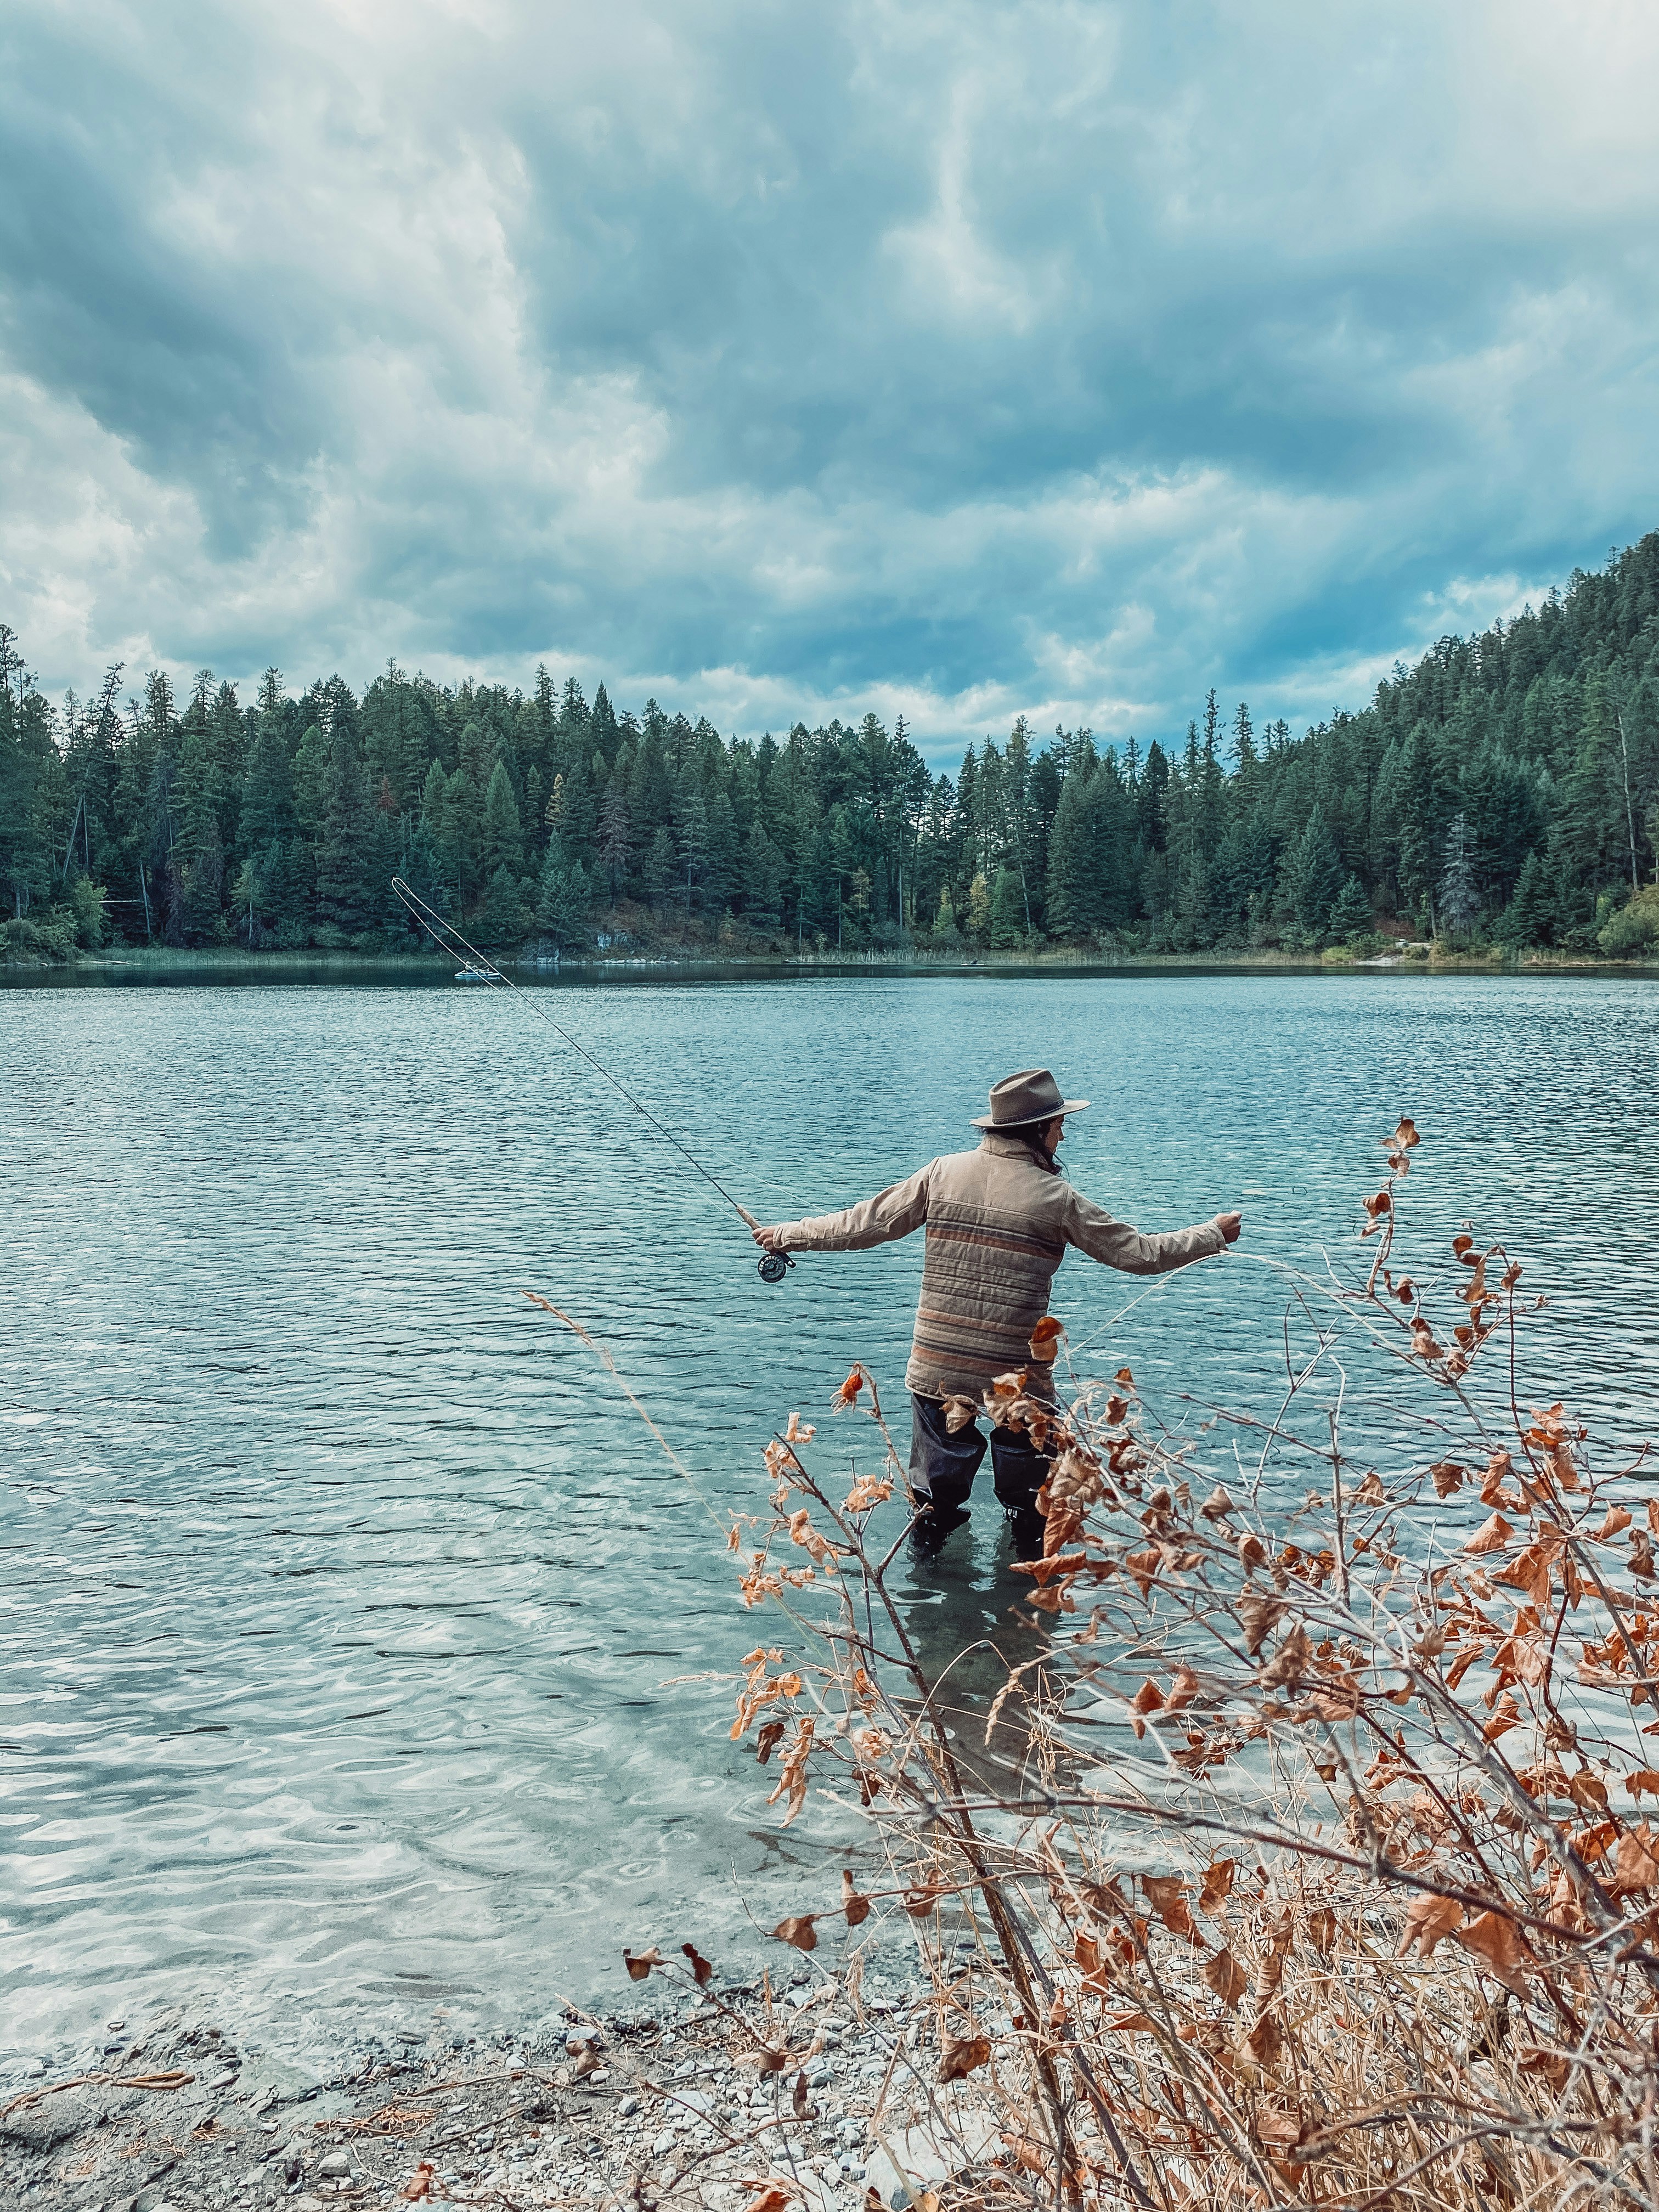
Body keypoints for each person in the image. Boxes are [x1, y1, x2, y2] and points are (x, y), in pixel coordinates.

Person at [752, 1068, 1242, 1554]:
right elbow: (1141, 1255)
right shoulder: (1057, 1197)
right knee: (1032, 1510)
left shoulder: (941, 1172)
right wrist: (1213, 1234)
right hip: (1018, 1382)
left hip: (937, 1368)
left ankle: (927, 1597)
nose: (1063, 1132)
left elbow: (862, 1225)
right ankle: (1025, 1602)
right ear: (1037, 1131)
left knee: (931, 1507)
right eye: (1058, 1124)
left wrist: (786, 1234)